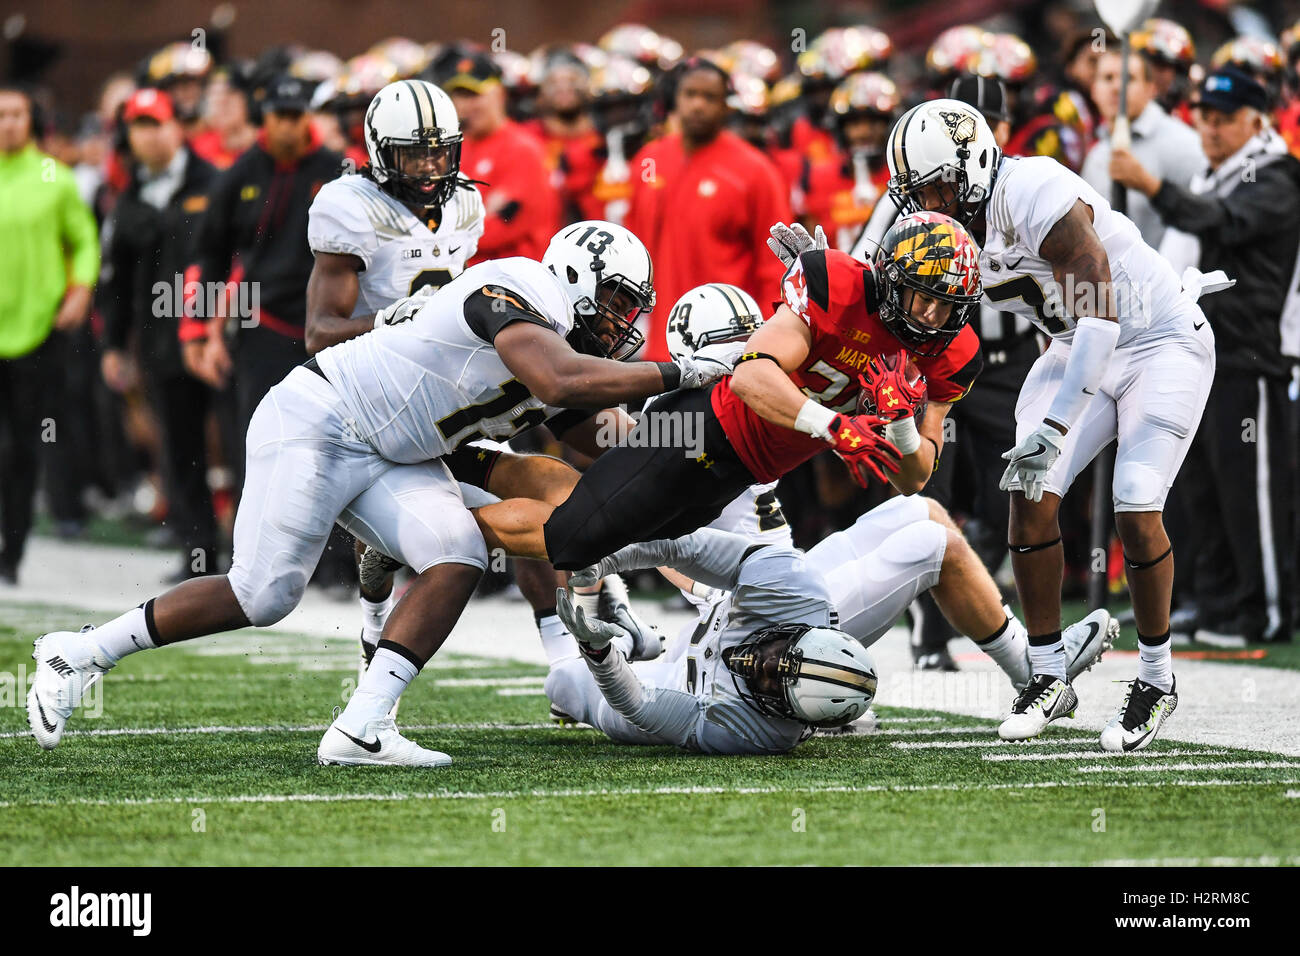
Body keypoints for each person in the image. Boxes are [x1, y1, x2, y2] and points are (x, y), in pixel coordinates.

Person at [26, 221, 727, 767]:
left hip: (395, 452)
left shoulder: (560, 344)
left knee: (456, 554)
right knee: (262, 595)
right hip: (320, 418)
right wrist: (677, 369)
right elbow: (560, 383)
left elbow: (607, 442)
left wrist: (707, 433)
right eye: (613, 301)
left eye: (630, 309)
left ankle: (363, 726)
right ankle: (80, 652)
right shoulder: (519, 290)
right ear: (576, 276)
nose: (620, 322)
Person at [886, 98, 1219, 751]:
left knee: (1134, 503)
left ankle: (1156, 679)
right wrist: (824, 276)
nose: (930, 201)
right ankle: (1047, 675)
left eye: (938, 186)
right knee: (1028, 497)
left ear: (973, 167)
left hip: (1158, 341)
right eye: (918, 191)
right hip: (1074, 347)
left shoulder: (1034, 191)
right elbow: (891, 288)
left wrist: (1057, 425)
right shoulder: (955, 225)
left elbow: (1102, 313)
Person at [471, 211, 983, 575]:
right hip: (702, 431)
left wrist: (897, 426)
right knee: (572, 538)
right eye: (922, 300)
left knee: (619, 541)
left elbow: (915, 477)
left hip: (745, 472)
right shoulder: (837, 288)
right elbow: (750, 374)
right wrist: (835, 426)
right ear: (891, 280)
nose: (932, 319)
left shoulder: (953, 354)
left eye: (948, 306)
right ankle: (435, 533)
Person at [544, 495, 1116, 754]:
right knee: (919, 516)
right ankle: (1039, 672)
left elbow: (640, 706)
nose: (760, 666)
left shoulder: (757, 731)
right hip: (743, 613)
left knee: (568, 687)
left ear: (791, 714)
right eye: (780, 660)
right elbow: (684, 546)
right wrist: (609, 557)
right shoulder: (793, 593)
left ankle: (1040, 676)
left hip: (682, 682)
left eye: (773, 682)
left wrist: (599, 654)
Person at [1111, 67, 1299, 645]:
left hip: (1258, 357)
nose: (1211, 130)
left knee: (1254, 492)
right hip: (1209, 355)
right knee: (1205, 487)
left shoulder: (1278, 177)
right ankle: (1216, 603)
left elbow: (1221, 221)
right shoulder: (1216, 173)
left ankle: (1267, 611)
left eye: (1223, 120)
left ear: (1256, 120)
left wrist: (1149, 184)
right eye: (1205, 119)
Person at [99, 88, 219, 579]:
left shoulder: (214, 182)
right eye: (138, 126)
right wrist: (112, 344)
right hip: (161, 343)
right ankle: (200, 552)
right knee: (180, 447)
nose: (147, 135)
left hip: (218, 339)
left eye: (155, 123)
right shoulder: (128, 199)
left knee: (242, 442)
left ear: (178, 127)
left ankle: (264, 552)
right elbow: (115, 281)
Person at [625, 57, 792, 360]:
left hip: (726, 350)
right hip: (654, 351)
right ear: (676, 100)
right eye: (690, 95)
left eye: (709, 97)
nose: (698, 105)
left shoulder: (755, 171)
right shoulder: (648, 161)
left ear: (726, 106)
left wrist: (767, 346)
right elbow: (630, 250)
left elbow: (777, 267)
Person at [0, 83, 99, 584]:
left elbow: (85, 241)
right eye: (1, 115)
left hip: (37, 333)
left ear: (31, 120)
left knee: (21, 445)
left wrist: (80, 290)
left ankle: (11, 550)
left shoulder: (53, 178)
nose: (9, 123)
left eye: (16, 114)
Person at [429, 47, 557, 262]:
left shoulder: (523, 148)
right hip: (470, 278)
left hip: (515, 282)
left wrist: (440, 229)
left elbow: (497, 229)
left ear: (499, 94)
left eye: (474, 95)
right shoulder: (454, 148)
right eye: (459, 95)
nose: (465, 105)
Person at [1081, 48, 1203, 249]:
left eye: (1129, 78)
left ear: (1151, 89)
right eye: (1107, 78)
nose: (1117, 87)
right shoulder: (1097, 154)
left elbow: (1206, 217)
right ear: (1094, 90)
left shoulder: (1184, 144)